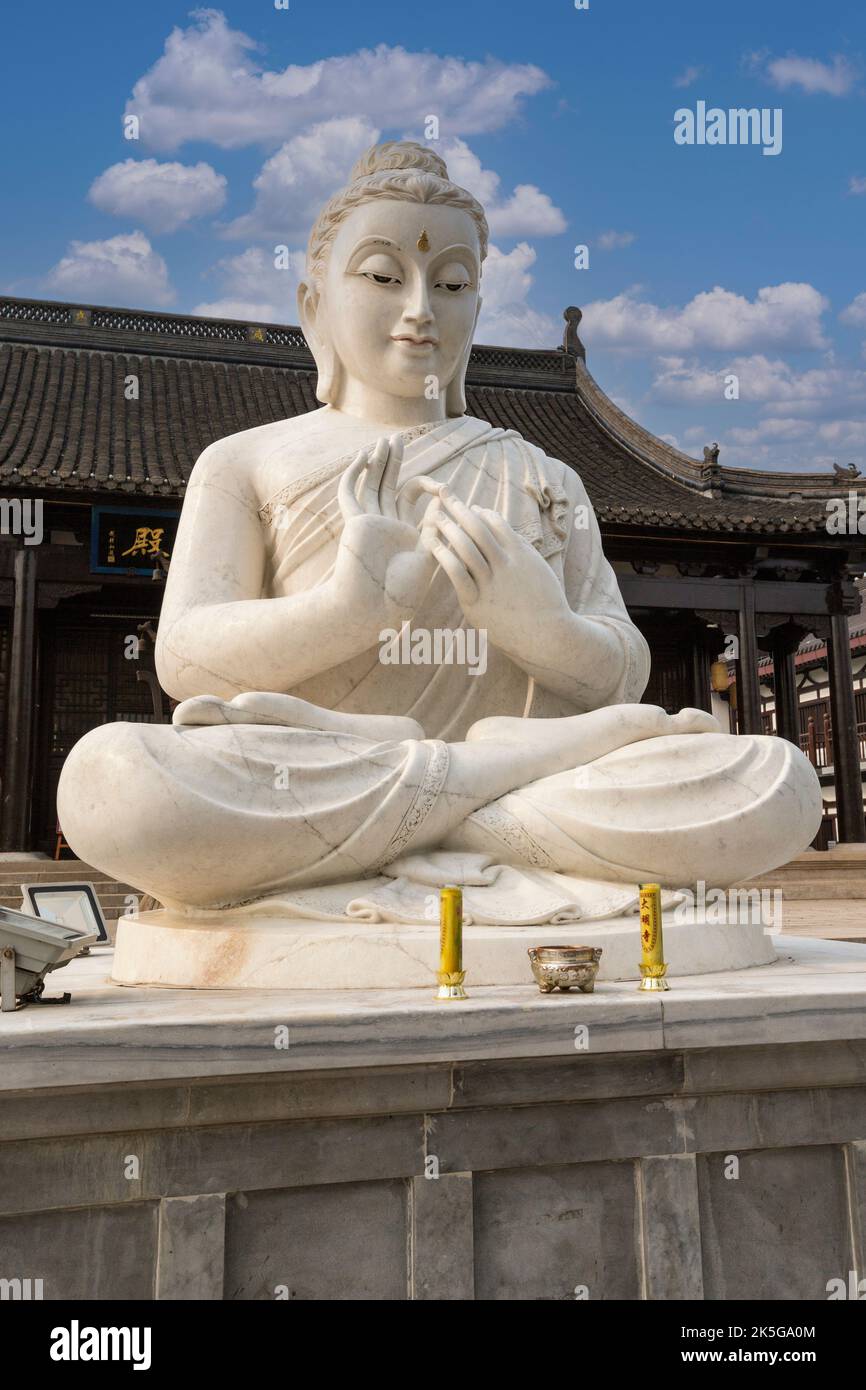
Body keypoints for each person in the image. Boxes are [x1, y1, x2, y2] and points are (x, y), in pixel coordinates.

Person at [57, 143, 821, 920]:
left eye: (452, 284)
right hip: (338, 763)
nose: (421, 308)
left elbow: (621, 672)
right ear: (314, 303)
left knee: (776, 782)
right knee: (113, 781)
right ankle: (483, 823)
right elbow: (188, 659)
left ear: (478, 307)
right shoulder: (245, 462)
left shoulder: (544, 475)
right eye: (384, 277)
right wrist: (344, 611)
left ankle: (425, 823)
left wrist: (543, 626)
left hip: (480, 783)